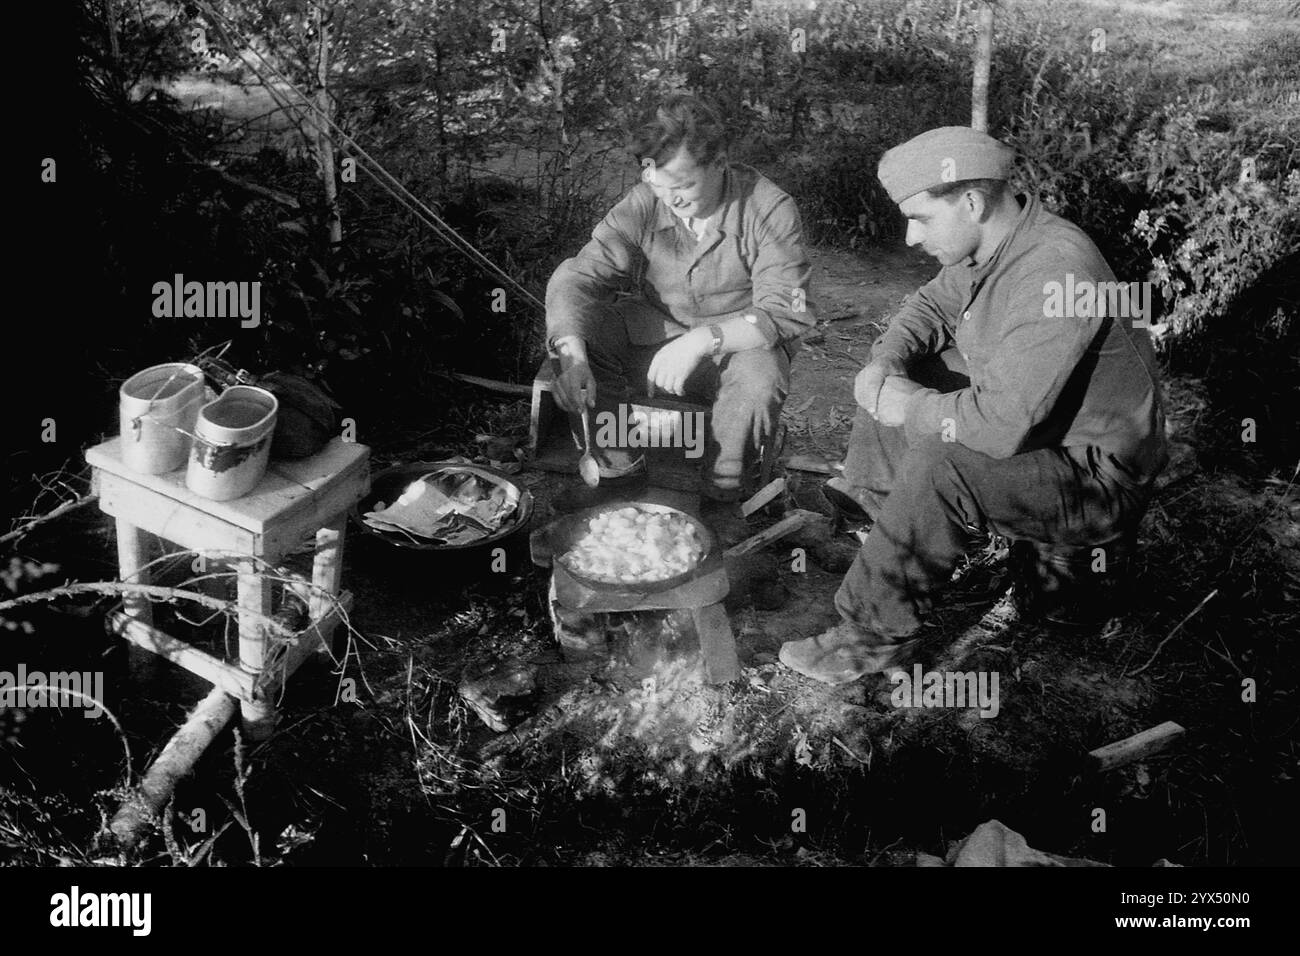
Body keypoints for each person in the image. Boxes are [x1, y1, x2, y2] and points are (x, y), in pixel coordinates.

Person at [780, 126, 1169, 685]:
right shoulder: (993, 245)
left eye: (920, 218)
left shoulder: (1055, 270)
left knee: (944, 460)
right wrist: (885, 363)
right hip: (1045, 435)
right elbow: (929, 306)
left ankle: (869, 637)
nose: (910, 238)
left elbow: (998, 425)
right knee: (906, 374)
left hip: (1094, 475)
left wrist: (910, 407)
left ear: (970, 201)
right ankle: (883, 527)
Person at [544, 94, 815, 537]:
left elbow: (790, 309)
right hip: (656, 329)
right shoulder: (644, 202)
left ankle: (721, 494)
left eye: (684, 187)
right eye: (658, 186)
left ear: (720, 163)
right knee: (584, 334)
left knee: (760, 378)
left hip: (736, 342)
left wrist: (702, 340)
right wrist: (572, 355)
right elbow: (578, 277)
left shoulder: (769, 207)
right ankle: (618, 472)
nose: (670, 200)